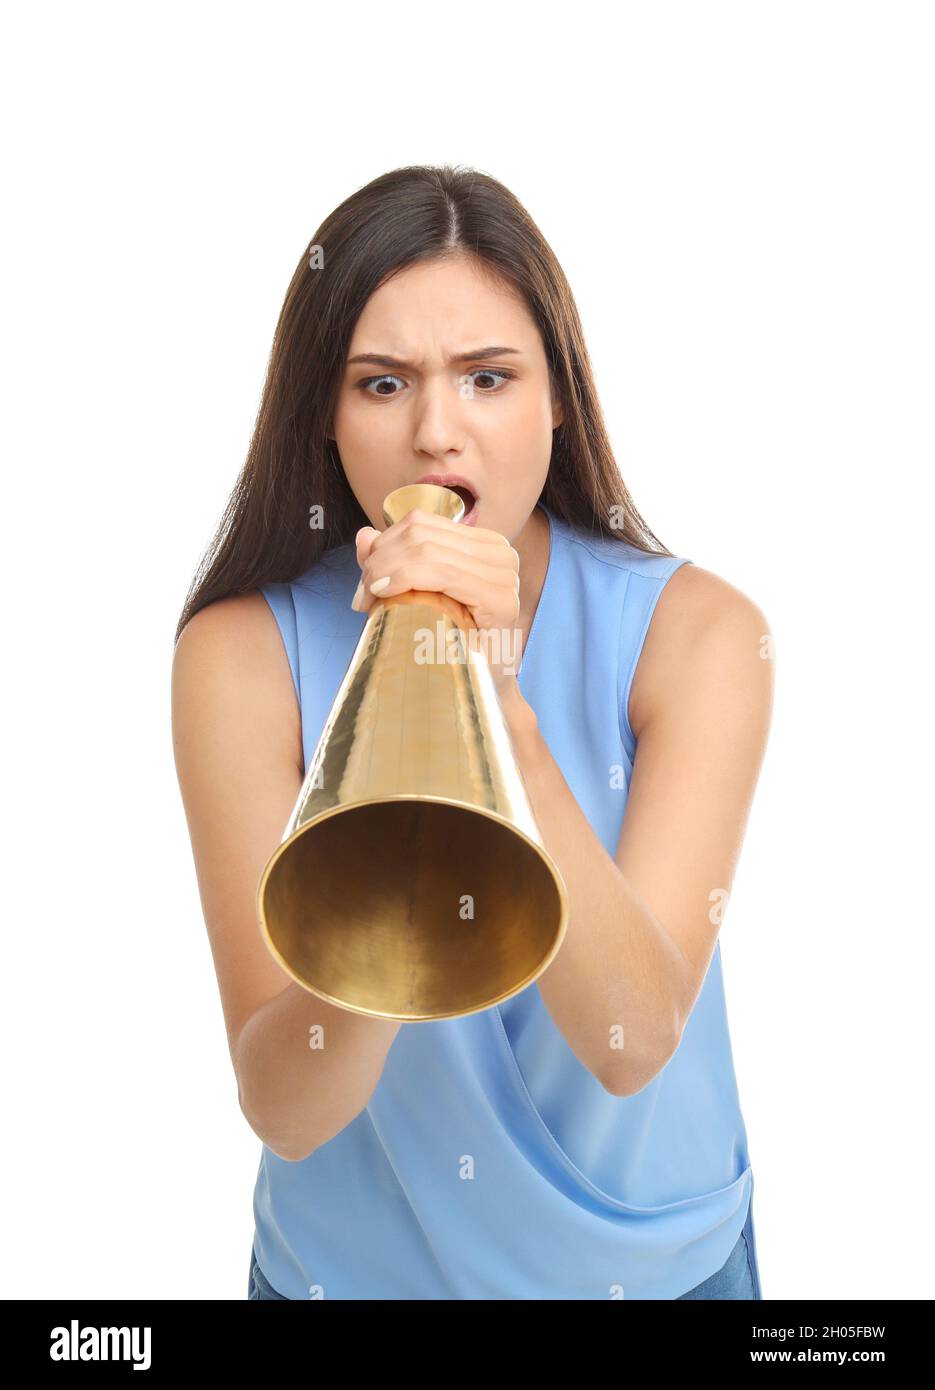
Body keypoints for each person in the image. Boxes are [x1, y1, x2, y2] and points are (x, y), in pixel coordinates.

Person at [172, 164, 774, 1300]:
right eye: (382, 383)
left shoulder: (700, 635)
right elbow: (285, 1107)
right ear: (326, 413)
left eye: (488, 377)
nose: (435, 435)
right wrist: (387, 831)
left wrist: (494, 702)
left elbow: (627, 1040)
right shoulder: (238, 654)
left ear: (557, 397)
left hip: (658, 1276)